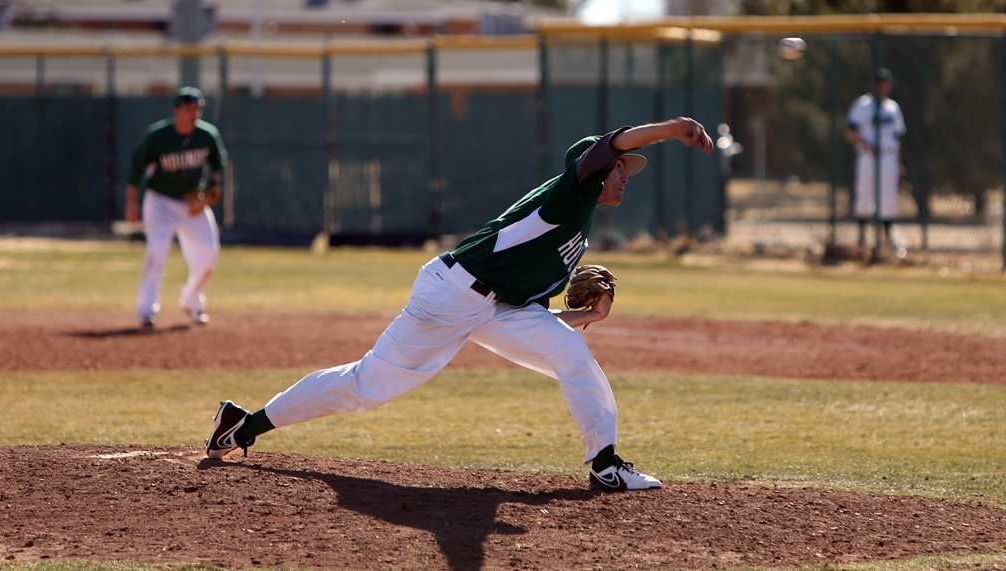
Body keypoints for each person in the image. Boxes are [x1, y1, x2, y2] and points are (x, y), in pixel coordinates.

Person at [206, 117, 714, 492]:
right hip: (452, 295)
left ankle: (604, 462)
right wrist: (674, 130)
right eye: (620, 169)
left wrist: (584, 317)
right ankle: (244, 424)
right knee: (369, 385)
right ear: (595, 170)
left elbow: (526, 319)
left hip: (489, 303)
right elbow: (613, 142)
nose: (625, 175)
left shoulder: (576, 229)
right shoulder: (569, 194)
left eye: (628, 171)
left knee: (570, 352)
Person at [125, 87, 228, 331]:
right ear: (176, 110)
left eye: (197, 109)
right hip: (161, 202)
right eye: (189, 109)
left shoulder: (207, 135)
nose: (194, 114)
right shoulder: (158, 136)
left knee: (210, 254)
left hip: (193, 204)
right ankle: (147, 310)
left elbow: (218, 162)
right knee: (157, 252)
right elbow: (135, 170)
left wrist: (212, 186)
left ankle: (192, 300)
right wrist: (131, 204)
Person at [845, 67, 906, 250]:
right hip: (868, 156)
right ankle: (862, 239)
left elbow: (897, 138)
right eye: (880, 83)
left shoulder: (893, 108)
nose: (883, 87)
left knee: (888, 198)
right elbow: (850, 132)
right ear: (873, 85)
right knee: (864, 195)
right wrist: (867, 145)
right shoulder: (863, 105)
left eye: (886, 84)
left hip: (889, 156)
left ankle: (887, 239)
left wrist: (900, 164)